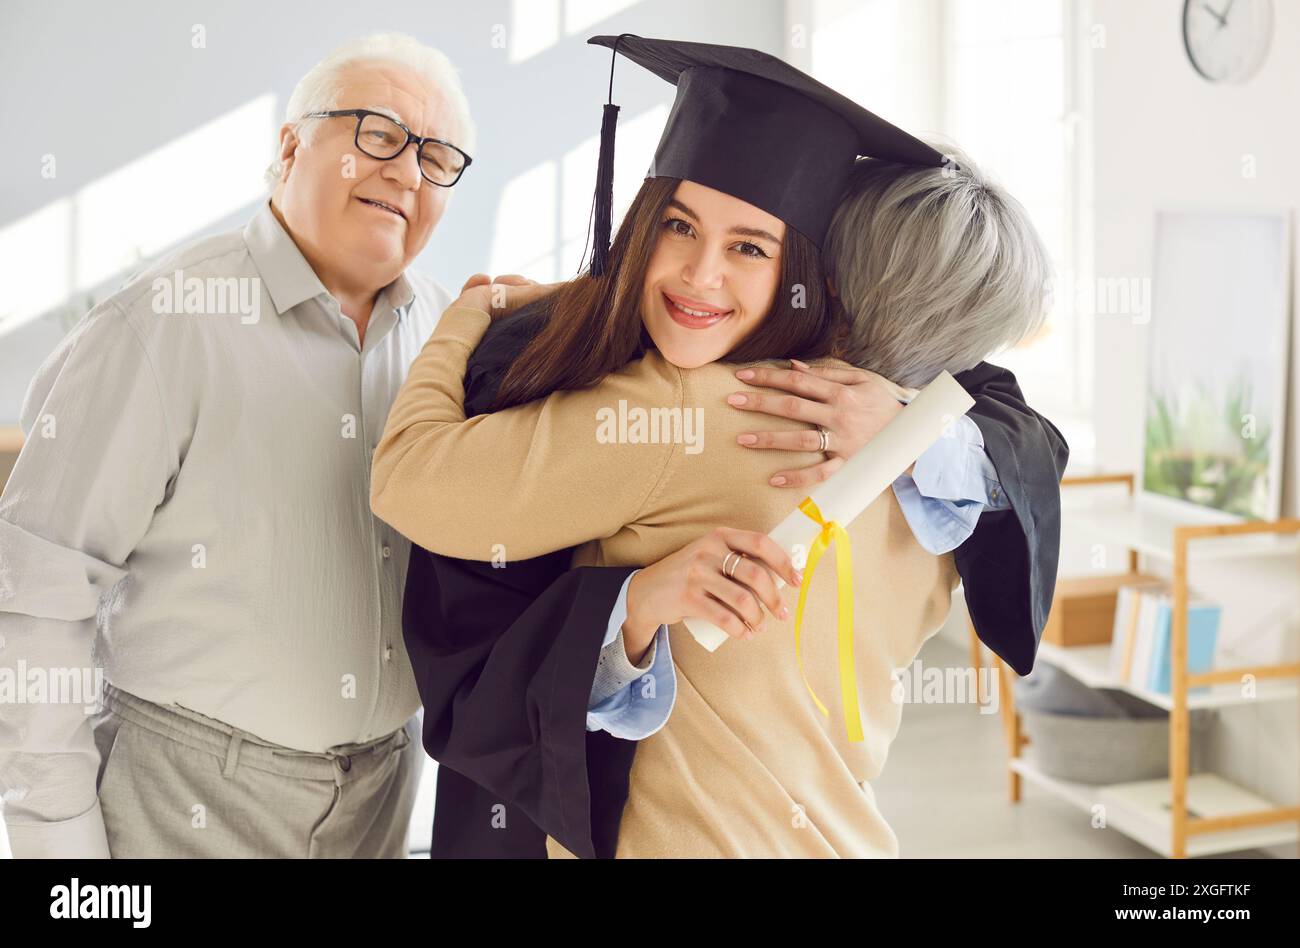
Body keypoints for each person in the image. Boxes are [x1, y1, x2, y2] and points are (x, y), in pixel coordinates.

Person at [373, 36, 1066, 857]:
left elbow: (412, 481)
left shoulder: (700, 413)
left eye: (750, 246)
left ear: (825, 269)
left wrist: (469, 314)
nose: (701, 276)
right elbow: (1026, 443)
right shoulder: (953, 486)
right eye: (678, 226)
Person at [0, 32, 471, 858]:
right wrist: (59, 847)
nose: (407, 171)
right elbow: (35, 602)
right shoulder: (163, 324)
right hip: (180, 797)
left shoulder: (450, 337)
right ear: (290, 145)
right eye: (379, 134)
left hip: (382, 802)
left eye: (437, 157)